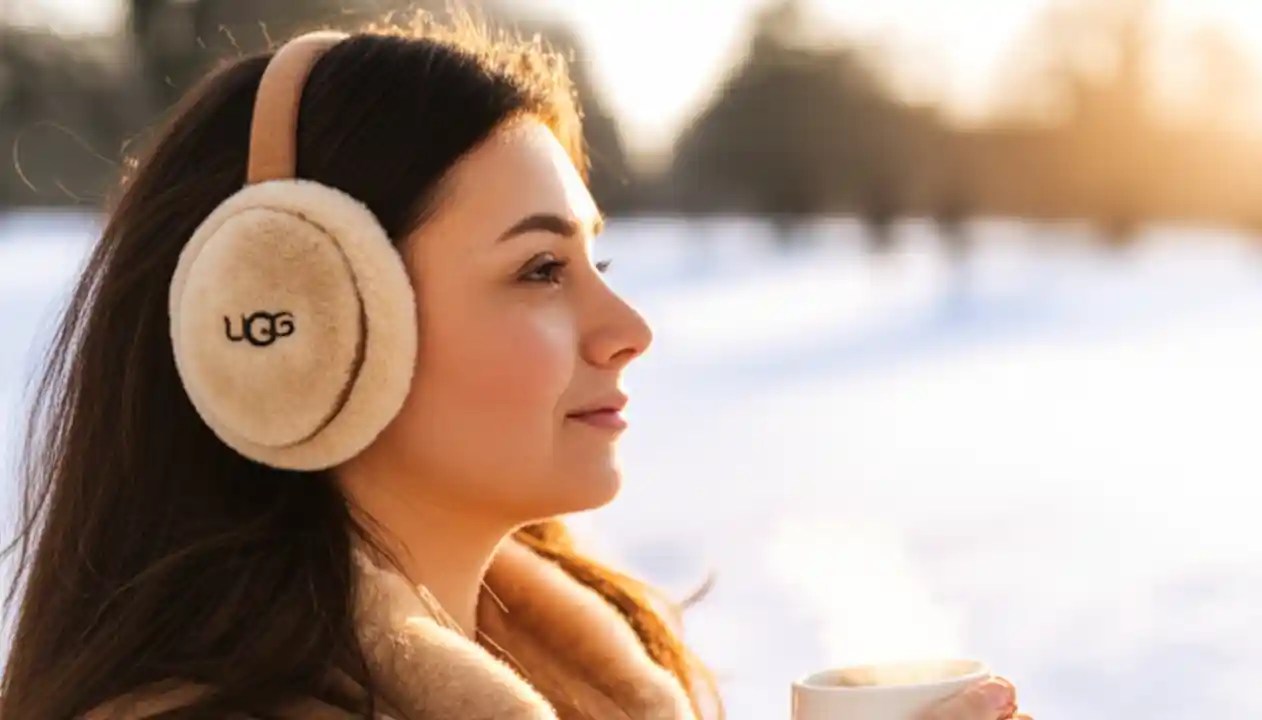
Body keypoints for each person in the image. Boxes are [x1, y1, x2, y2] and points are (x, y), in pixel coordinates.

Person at [0, 11, 1029, 720]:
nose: (626, 325)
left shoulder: (588, 685)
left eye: (597, 259)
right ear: (293, 330)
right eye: (540, 268)